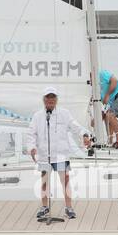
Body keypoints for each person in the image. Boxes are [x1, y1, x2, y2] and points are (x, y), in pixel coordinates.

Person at [27, 86, 91, 221]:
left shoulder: (64, 113)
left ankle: (69, 207)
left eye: (53, 97)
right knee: (44, 181)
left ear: (56, 99)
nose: (50, 100)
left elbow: (75, 127)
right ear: (44, 100)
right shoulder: (38, 116)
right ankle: (44, 207)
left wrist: (85, 135)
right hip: (45, 155)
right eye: (48, 97)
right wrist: (31, 147)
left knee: (65, 181)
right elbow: (31, 133)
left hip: (61, 154)